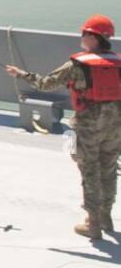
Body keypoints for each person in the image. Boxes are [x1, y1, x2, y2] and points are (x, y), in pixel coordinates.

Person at [7, 14, 121, 239]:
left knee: (89, 170)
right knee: (108, 170)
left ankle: (93, 224)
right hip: (116, 126)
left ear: (93, 38)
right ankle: (106, 217)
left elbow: (46, 83)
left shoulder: (78, 64)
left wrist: (20, 74)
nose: (81, 37)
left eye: (84, 34)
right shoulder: (118, 62)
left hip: (87, 126)